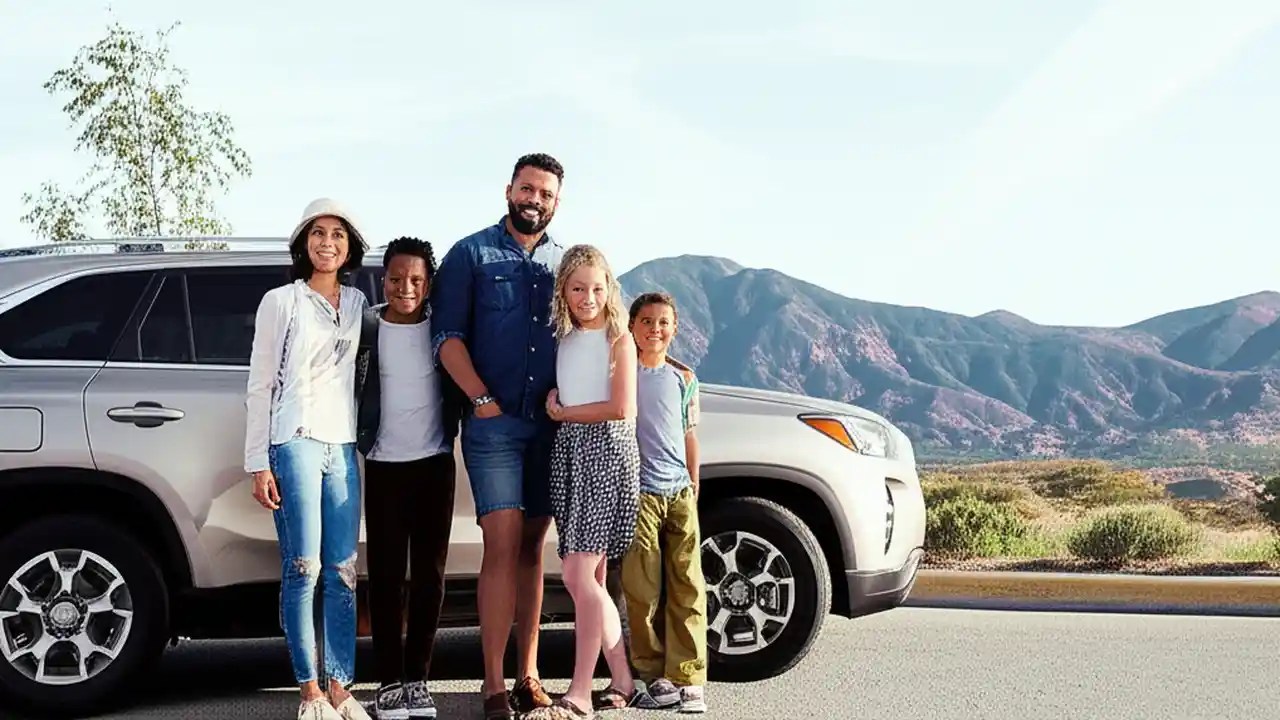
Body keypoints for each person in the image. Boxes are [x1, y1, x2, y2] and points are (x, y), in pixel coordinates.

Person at [430, 153, 566, 719]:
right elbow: (446, 337)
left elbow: (602, 327)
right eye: (527, 189)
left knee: (534, 549)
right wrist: (481, 399)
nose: (535, 200)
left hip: (551, 427)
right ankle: (491, 684)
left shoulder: (565, 262)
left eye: (546, 193)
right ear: (509, 190)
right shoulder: (470, 254)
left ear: (557, 202)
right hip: (494, 427)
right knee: (502, 544)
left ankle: (528, 676)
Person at [245, 198, 373, 720]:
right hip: (293, 440)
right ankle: (310, 693)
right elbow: (260, 383)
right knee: (304, 566)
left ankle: (341, 687)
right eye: (318, 233)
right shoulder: (281, 301)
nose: (327, 242)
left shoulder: (359, 304)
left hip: (341, 446)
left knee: (342, 569)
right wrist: (258, 462)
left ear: (350, 246)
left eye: (338, 234)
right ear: (303, 243)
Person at [531, 244, 642, 719]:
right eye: (578, 288)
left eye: (597, 288)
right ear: (564, 290)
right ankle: (622, 679)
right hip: (570, 453)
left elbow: (622, 407)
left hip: (606, 453)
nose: (588, 297)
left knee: (578, 576)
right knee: (590, 580)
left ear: (609, 288)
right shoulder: (565, 337)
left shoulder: (619, 339)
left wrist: (564, 412)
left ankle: (580, 692)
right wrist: (558, 408)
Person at [354, 237, 462, 720]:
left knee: (429, 577)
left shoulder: (442, 328)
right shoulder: (368, 327)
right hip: (384, 464)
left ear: (429, 283)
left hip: (434, 463)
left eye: (416, 280)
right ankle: (389, 682)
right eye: (396, 279)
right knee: (385, 577)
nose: (406, 288)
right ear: (384, 280)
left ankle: (418, 679)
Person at [620, 292, 708, 714]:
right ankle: (653, 673)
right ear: (632, 326)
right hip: (641, 494)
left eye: (663, 322)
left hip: (679, 493)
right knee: (643, 589)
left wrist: (693, 480)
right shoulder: (623, 373)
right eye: (647, 321)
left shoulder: (684, 378)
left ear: (675, 328)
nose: (655, 329)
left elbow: (690, 434)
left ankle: (688, 676)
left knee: (688, 584)